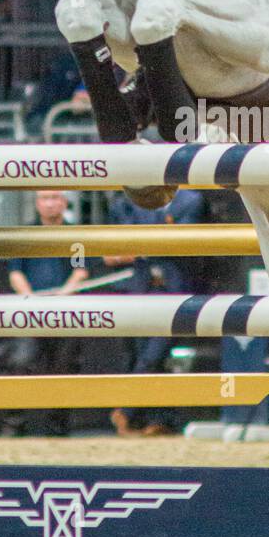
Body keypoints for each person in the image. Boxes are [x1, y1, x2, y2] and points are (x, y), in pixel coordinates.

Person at [106, 187, 206, 437]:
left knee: (152, 354)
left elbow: (177, 242)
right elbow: (113, 250)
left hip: (175, 291)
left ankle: (127, 409)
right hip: (143, 288)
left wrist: (138, 244)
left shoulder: (190, 199)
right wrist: (157, 235)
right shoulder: (131, 200)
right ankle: (158, 420)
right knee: (145, 353)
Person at [5, 191, 93, 436]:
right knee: (20, 364)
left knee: (64, 369)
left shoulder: (75, 236)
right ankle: (15, 426)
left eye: (56, 198)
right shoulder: (24, 235)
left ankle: (58, 429)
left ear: (64, 203)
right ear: (37, 203)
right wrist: (32, 300)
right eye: (45, 198)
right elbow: (15, 274)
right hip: (29, 313)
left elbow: (80, 272)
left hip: (65, 314)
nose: (51, 203)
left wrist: (62, 297)